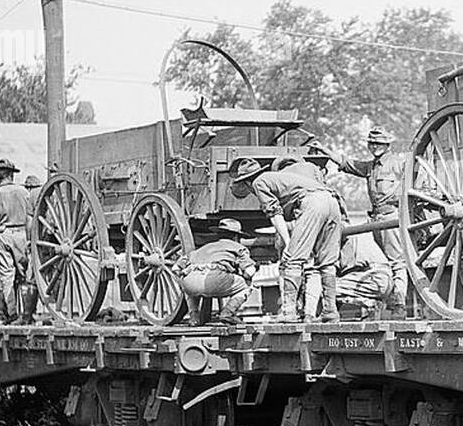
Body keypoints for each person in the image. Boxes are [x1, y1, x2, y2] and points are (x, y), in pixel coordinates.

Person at [229, 157, 343, 322]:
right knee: (327, 262)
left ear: (246, 183)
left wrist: (288, 243)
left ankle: (288, 312)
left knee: (292, 260)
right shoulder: (282, 177)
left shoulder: (259, 183)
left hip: (312, 204)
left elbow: (275, 214)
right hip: (332, 202)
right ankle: (330, 312)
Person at [313, 127, 408, 317]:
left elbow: (416, 180)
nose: (375, 147)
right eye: (372, 144)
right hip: (376, 219)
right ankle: (387, 303)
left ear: (387, 145)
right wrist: (326, 152)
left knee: (397, 263)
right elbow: (349, 164)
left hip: (391, 218)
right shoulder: (371, 167)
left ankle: (399, 305)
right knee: (384, 263)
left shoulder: (398, 163)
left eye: (379, 144)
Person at [173, 218, 257, 325]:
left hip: (190, 283)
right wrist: (244, 275)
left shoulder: (204, 247)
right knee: (247, 285)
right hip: (214, 280)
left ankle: (194, 317)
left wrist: (183, 282)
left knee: (191, 283)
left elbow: (175, 268)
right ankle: (228, 313)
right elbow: (250, 271)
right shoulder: (238, 247)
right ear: (236, 236)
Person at [0, 157, 32, 323]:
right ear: (12, 175)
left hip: (2, 235)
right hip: (21, 234)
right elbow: (31, 218)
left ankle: (12, 313)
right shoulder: (24, 193)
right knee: (25, 275)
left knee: (6, 277)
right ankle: (27, 314)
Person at [335, 230, 393, 317]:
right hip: (385, 279)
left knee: (329, 288)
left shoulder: (348, 239)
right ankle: (370, 302)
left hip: (373, 277)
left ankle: (369, 303)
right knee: (339, 287)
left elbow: (344, 270)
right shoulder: (360, 233)